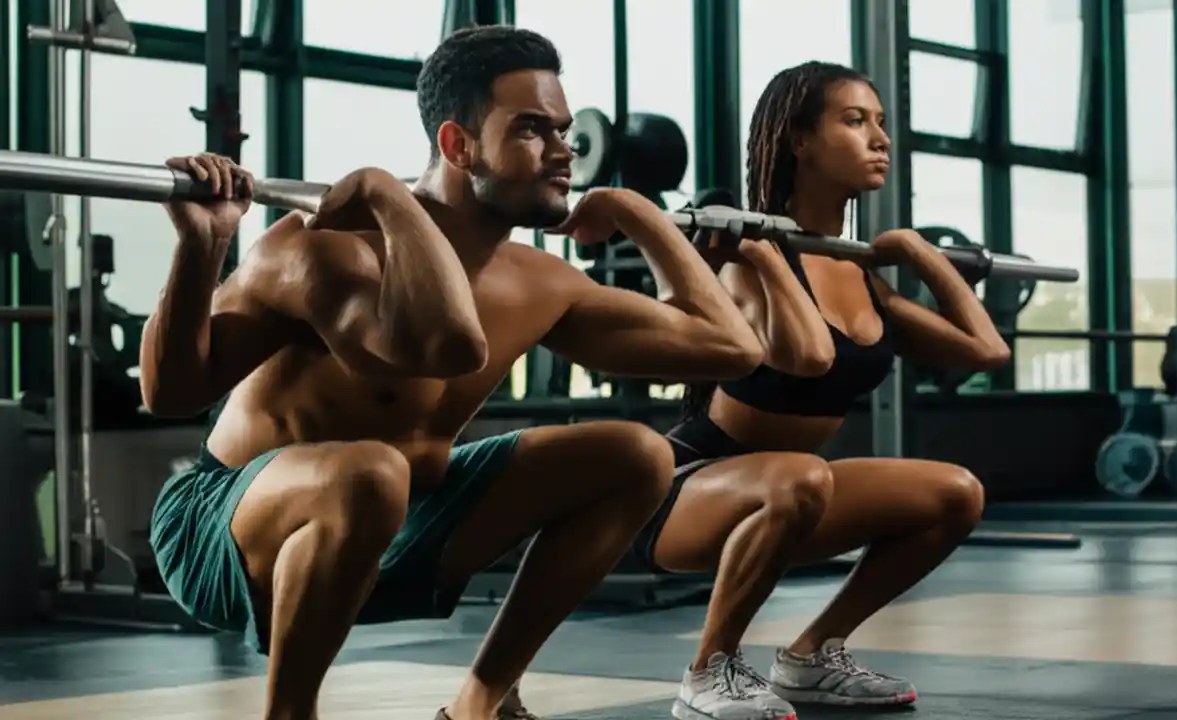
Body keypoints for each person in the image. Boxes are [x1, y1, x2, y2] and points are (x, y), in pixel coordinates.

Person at [143, 26, 763, 720]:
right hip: (226, 533)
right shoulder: (327, 249)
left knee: (636, 454)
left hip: (398, 530)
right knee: (370, 471)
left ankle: (480, 704)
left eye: (564, 131)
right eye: (533, 130)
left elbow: (728, 347)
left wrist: (633, 212)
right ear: (457, 145)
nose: (564, 151)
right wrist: (205, 247)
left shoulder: (537, 282)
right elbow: (170, 394)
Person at [630, 61, 1011, 720]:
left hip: (793, 495)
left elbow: (986, 350)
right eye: (855, 121)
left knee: (956, 493)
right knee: (802, 475)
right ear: (800, 142)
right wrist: (761, 252)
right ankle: (706, 672)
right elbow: (808, 357)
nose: (880, 139)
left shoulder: (859, 271)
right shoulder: (752, 259)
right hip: (685, 495)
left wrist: (917, 253)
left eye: (881, 124)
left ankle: (810, 655)